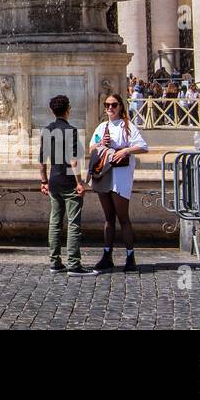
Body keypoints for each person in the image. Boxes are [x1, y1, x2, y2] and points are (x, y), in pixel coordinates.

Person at [89, 92, 148, 272]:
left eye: (113, 105)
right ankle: (107, 255)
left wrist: (126, 150)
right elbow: (92, 147)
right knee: (108, 218)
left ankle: (130, 257)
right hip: (105, 174)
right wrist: (101, 144)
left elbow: (143, 146)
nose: (110, 108)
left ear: (121, 106)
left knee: (123, 217)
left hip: (121, 176)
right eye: (107, 105)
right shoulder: (102, 127)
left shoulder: (128, 126)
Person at [40, 95, 96, 276]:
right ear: (68, 109)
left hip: (54, 181)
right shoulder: (71, 131)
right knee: (73, 224)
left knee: (55, 222)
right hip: (69, 181)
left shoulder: (47, 130)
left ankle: (54, 262)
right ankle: (73, 264)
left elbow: (41, 162)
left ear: (52, 110)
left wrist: (44, 181)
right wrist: (79, 182)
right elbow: (74, 160)